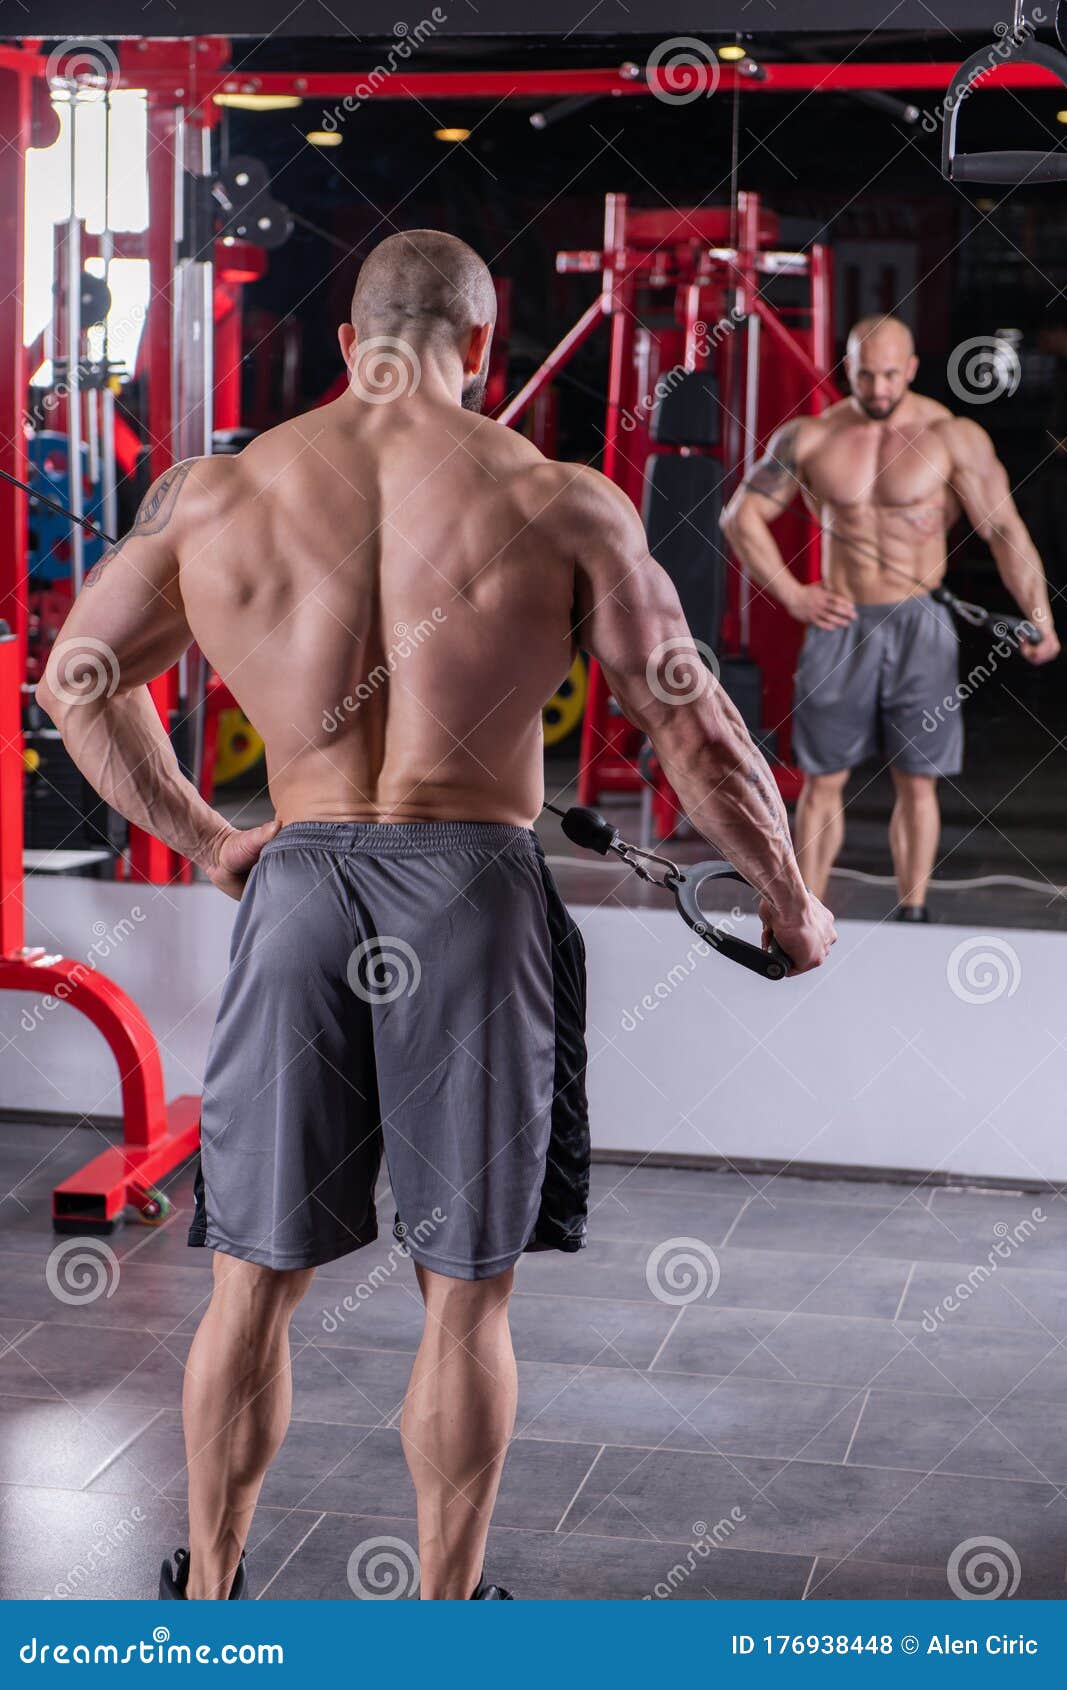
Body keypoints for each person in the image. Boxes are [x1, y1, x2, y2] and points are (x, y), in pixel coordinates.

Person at [36, 229, 835, 1603]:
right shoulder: (559, 498)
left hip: (294, 891)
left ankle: (211, 1589)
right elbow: (691, 723)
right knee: (463, 1293)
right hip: (468, 887)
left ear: (352, 341)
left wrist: (211, 835)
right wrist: (788, 896)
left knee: (248, 1276)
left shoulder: (218, 492)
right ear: (487, 340)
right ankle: (442, 1615)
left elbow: (76, 678)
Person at [721, 313, 1060, 921]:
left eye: (889, 375)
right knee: (822, 779)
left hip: (919, 620)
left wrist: (1040, 616)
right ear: (848, 367)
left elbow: (1004, 530)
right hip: (840, 621)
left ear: (911, 369)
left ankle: (914, 912)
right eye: (865, 374)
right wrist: (795, 595)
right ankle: (805, 915)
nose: (877, 389)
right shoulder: (811, 436)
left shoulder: (952, 436)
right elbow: (738, 518)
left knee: (917, 779)